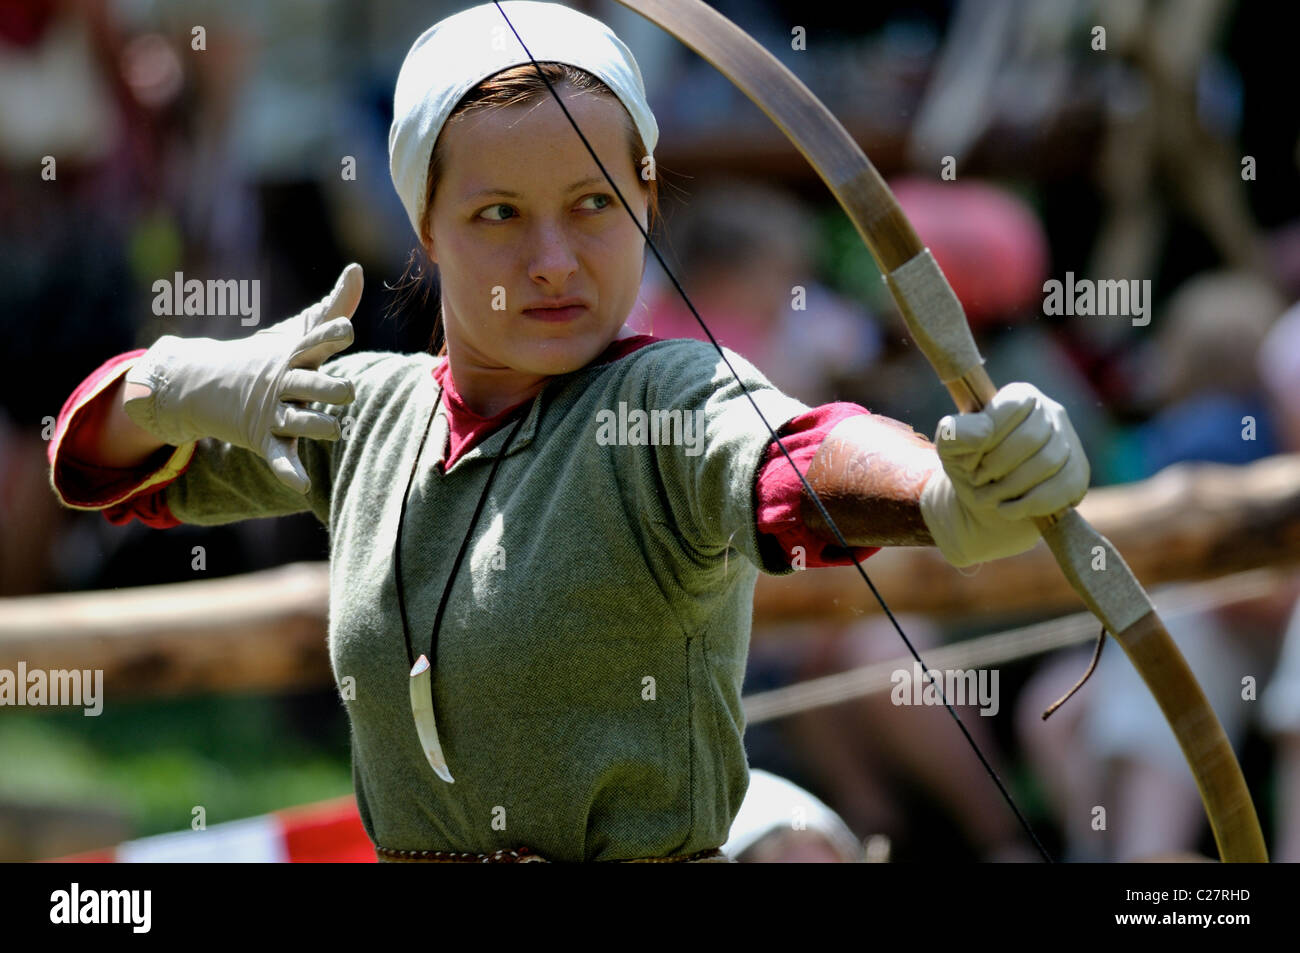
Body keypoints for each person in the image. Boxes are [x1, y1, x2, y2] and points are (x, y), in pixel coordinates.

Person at [47, 0, 1090, 863]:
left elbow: (790, 454)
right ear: (427, 225)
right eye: (499, 213)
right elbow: (94, 467)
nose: (553, 259)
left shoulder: (669, 399)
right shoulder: (355, 411)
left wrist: (946, 494)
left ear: (644, 196)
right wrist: (173, 385)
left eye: (594, 202)